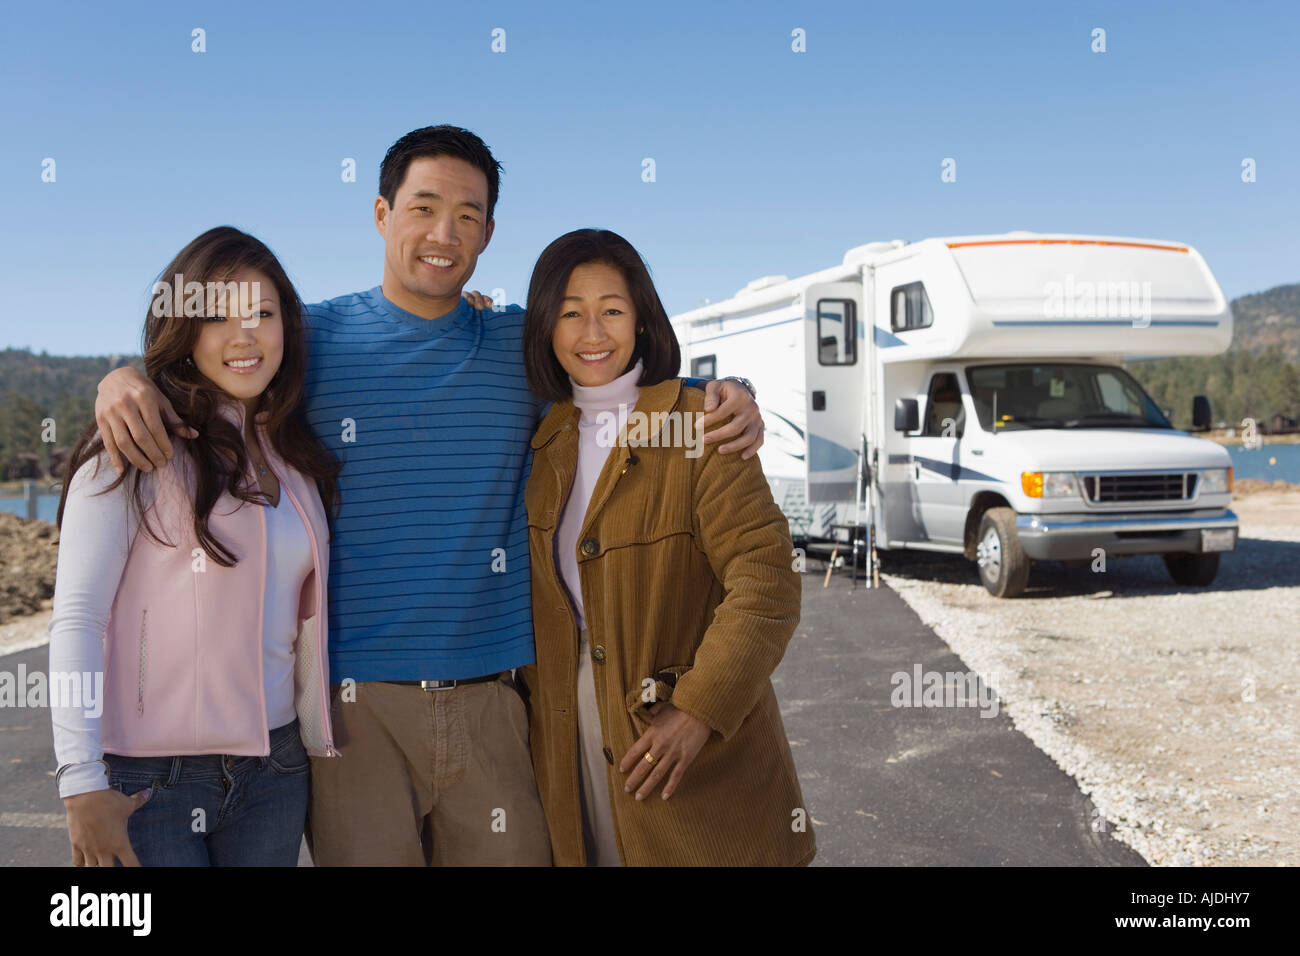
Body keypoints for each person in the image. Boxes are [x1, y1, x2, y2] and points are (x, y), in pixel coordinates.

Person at [91, 126, 766, 866]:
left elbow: (615, 379)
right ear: (382, 214)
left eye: (468, 215)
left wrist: (725, 395)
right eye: (424, 208)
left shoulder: (523, 346)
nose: (445, 233)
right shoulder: (307, 340)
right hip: (356, 716)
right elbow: (212, 361)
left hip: (498, 707)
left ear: (489, 232)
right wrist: (124, 380)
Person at [519, 228, 815, 866]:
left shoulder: (700, 424)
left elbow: (767, 585)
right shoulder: (545, 441)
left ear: (643, 321)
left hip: (691, 757)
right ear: (545, 325)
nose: (592, 331)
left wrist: (697, 711)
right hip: (573, 757)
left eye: (613, 310)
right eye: (571, 312)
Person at [50, 227, 341, 866]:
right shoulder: (132, 451)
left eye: (263, 314)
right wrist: (79, 780)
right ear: (185, 329)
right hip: (150, 779)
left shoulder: (297, 462)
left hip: (276, 768)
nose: (246, 336)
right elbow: (77, 617)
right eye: (218, 317)